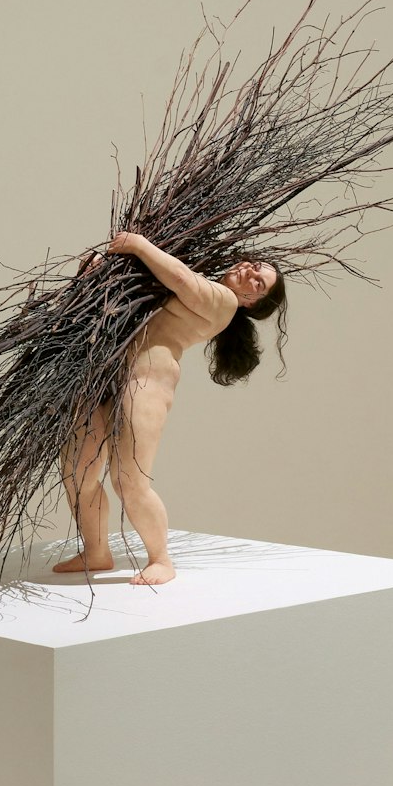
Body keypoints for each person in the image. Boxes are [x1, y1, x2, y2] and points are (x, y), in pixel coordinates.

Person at [52, 231, 286, 585]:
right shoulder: (204, 280)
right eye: (255, 267)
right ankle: (97, 551)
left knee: (129, 479)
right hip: (105, 371)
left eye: (259, 282)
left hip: (146, 379)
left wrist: (139, 244)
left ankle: (161, 559)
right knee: (78, 470)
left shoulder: (223, 300)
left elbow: (179, 278)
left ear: (252, 303)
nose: (251, 274)